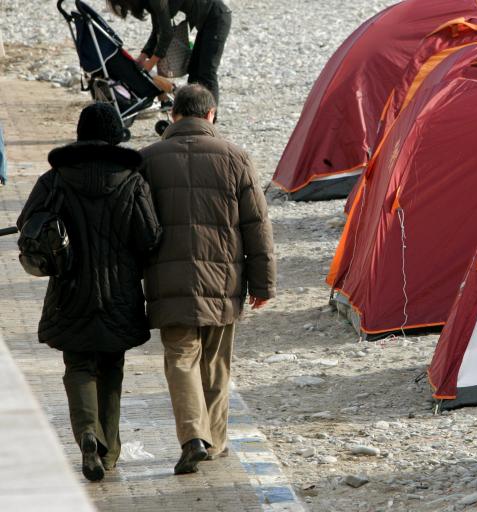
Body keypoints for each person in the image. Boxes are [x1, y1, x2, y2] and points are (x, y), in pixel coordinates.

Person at [16, 103, 162, 481]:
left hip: (70, 289)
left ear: (80, 134)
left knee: (78, 364)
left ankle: (86, 434)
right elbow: (149, 237)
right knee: (111, 366)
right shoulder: (132, 180)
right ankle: (108, 450)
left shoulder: (55, 179)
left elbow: (27, 224)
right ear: (116, 136)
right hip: (120, 291)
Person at [139, 84, 275, 475]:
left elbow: (137, 225)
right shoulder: (235, 157)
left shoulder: (147, 159)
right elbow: (256, 225)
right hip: (224, 280)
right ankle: (214, 442)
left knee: (181, 359)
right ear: (211, 114)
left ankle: (192, 437)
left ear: (175, 114)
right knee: (215, 364)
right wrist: (263, 284)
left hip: (169, 280)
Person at [107, 0, 232, 108]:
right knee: (194, 70)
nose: (129, 9)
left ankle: (209, 117)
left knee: (207, 72)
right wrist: (143, 56)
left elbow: (166, 33)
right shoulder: (149, 3)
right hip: (206, 22)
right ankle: (194, 112)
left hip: (217, 18)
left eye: (126, 6)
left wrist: (150, 64)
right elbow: (157, 30)